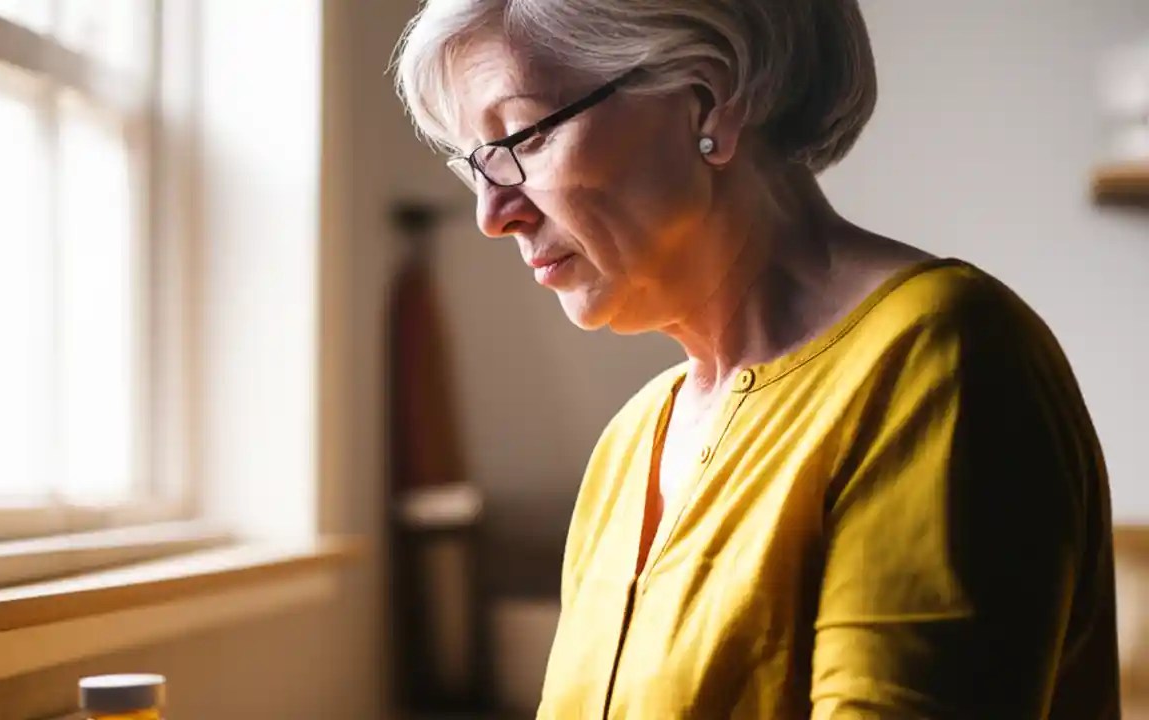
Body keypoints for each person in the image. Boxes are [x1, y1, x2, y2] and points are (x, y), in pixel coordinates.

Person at [393, 1, 1121, 717]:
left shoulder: (937, 359)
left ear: (709, 104)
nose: (494, 215)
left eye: (520, 137)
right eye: (475, 164)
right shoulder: (628, 445)